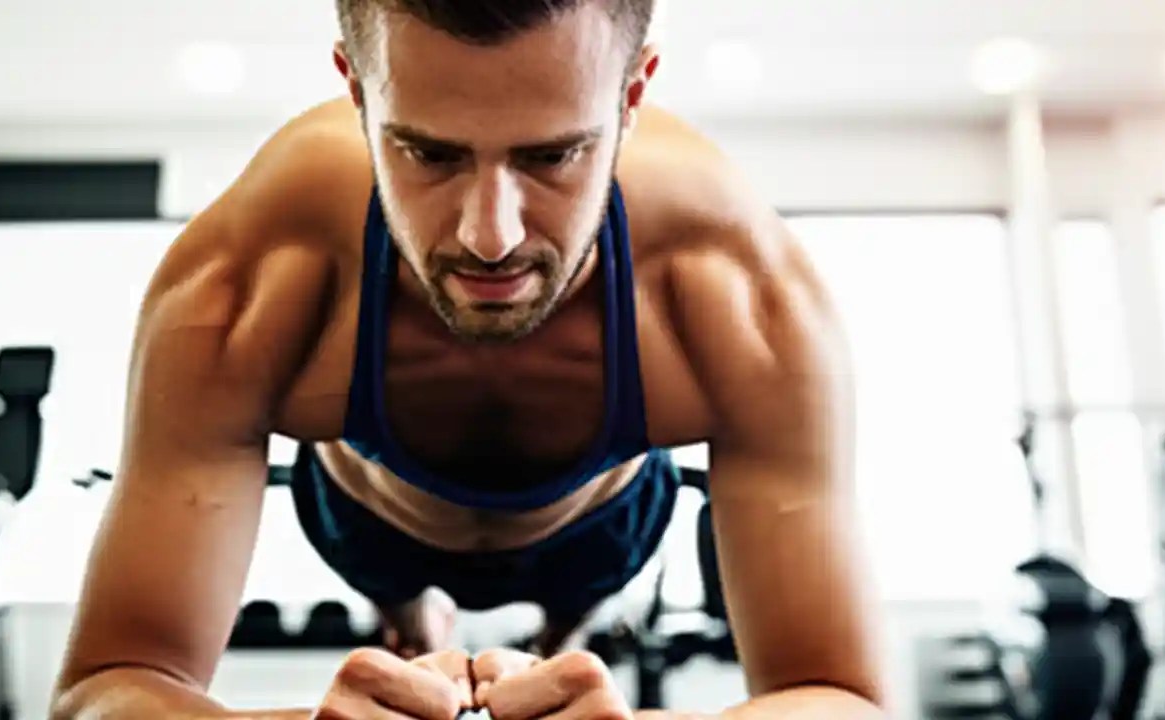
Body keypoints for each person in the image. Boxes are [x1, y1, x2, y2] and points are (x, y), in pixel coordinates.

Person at [50, 0, 889, 717]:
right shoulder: (252, 275)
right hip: (367, 522)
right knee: (403, 633)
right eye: (430, 154)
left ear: (632, 96)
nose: (493, 236)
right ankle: (414, 627)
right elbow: (102, 687)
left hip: (599, 527)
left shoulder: (740, 291)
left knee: (570, 639)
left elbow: (847, 698)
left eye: (553, 154)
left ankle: (561, 638)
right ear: (356, 91)